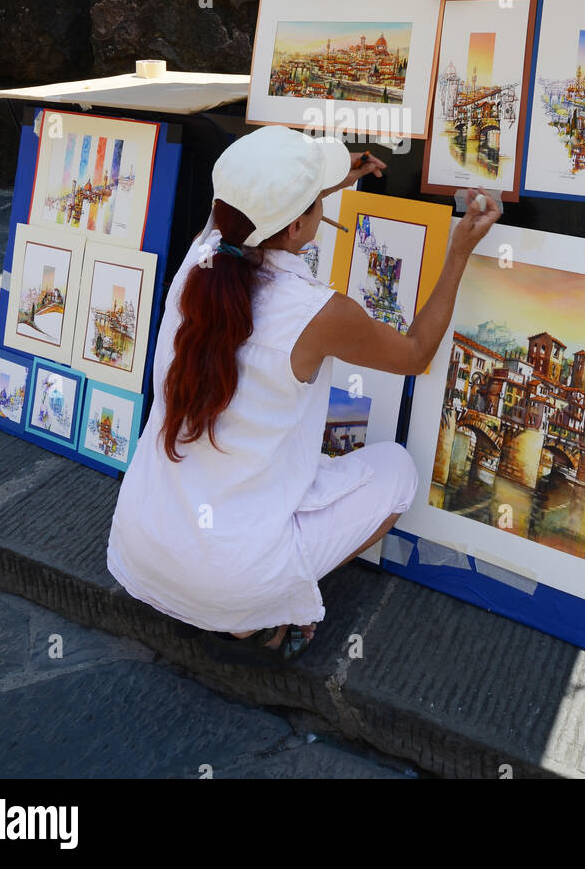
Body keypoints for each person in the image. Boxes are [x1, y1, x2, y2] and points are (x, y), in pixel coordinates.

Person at [106, 124, 500, 661]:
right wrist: (458, 252)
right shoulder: (316, 312)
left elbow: (250, 209)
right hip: (232, 577)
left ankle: (235, 601)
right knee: (398, 473)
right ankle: (259, 617)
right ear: (296, 227)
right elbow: (413, 355)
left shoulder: (202, 256)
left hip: (144, 541)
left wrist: (331, 178)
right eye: (317, 201)